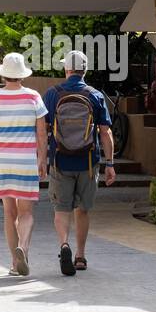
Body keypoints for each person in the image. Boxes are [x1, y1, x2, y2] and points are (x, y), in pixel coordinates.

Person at [43, 50, 115, 276]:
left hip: (60, 160)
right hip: (88, 161)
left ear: (67, 69)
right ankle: (80, 256)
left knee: (61, 210)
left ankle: (64, 244)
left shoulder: (53, 94)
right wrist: (110, 163)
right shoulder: (95, 95)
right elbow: (105, 132)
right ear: (85, 70)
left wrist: (41, 158)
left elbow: (43, 129)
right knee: (82, 210)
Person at [0, 52, 48, 276]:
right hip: (25, 160)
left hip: (2, 160)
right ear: (22, 75)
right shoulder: (33, 96)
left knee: (9, 212)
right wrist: (42, 159)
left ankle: (14, 264)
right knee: (26, 212)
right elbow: (42, 133)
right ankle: (23, 248)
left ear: (4, 75)